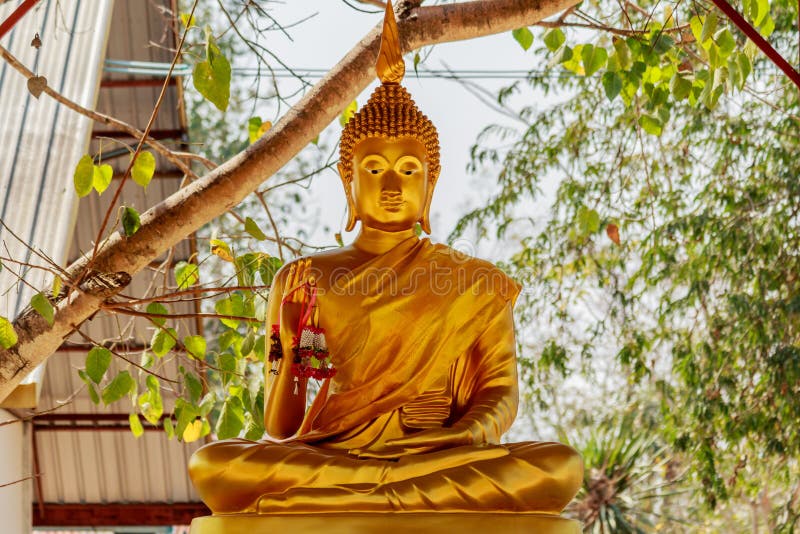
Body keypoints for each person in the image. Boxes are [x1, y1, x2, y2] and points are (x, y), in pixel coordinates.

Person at [188, 0, 582, 517]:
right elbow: (281, 428)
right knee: (216, 465)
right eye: (373, 170)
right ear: (348, 185)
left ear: (430, 183)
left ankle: (367, 489)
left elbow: (500, 395)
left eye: (408, 170)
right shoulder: (303, 279)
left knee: (558, 466)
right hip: (331, 455)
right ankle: (386, 489)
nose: (392, 186)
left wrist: (455, 435)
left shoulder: (474, 284)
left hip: (435, 455)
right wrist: (288, 350)